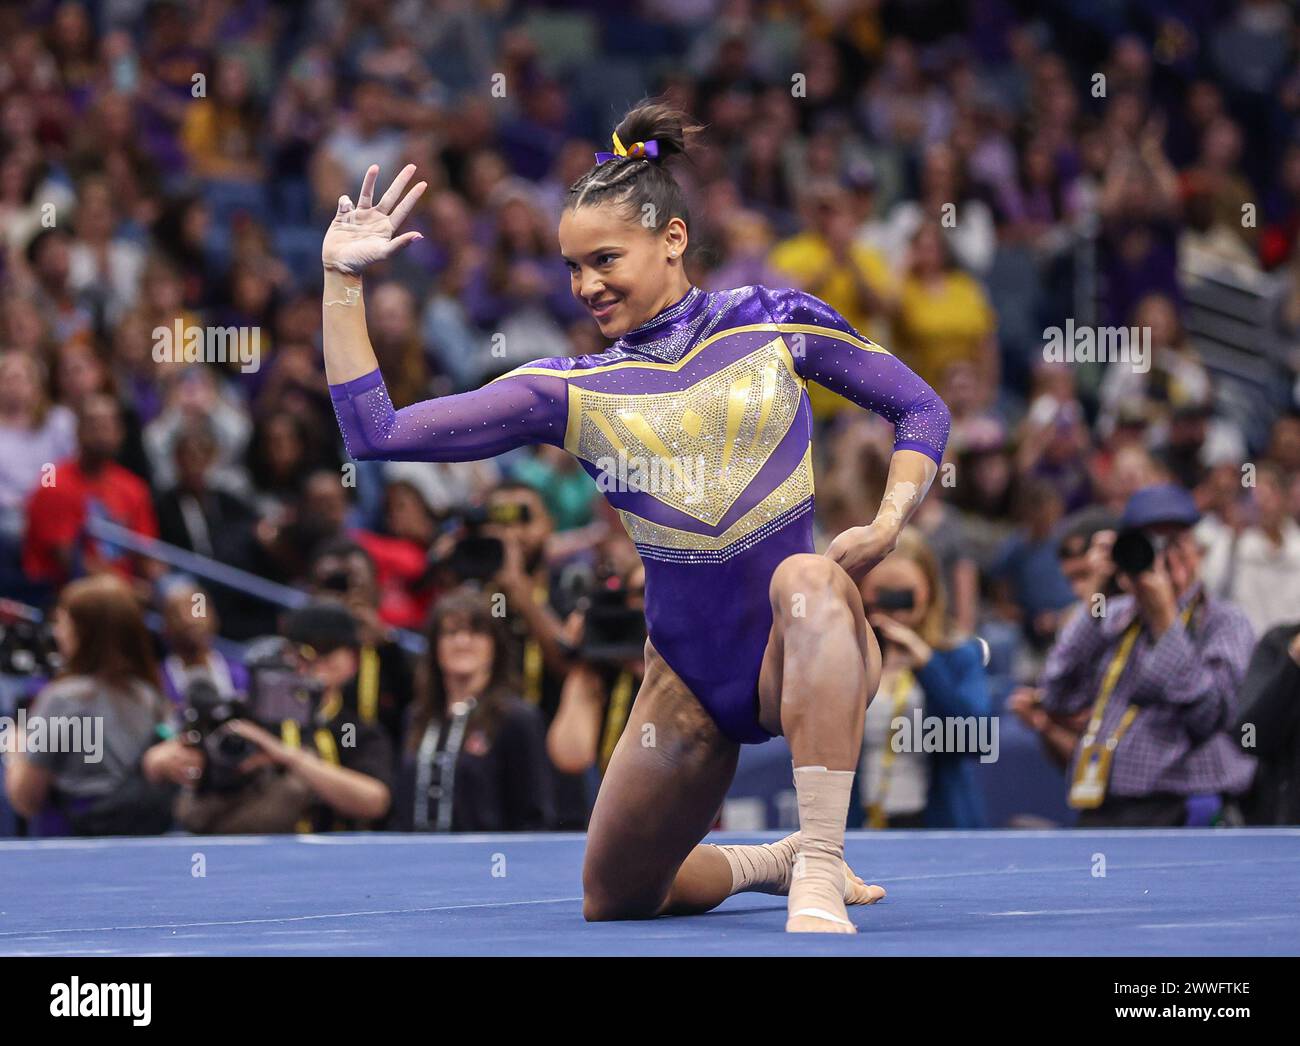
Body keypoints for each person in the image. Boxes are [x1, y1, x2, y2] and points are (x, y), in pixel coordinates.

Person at [321, 101, 950, 933]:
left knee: (809, 578)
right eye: (573, 269)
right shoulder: (571, 390)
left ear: (674, 240)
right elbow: (378, 433)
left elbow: (922, 411)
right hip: (686, 683)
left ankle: (824, 869)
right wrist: (341, 278)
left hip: (799, 652)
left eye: (605, 259)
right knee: (616, 899)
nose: (587, 286)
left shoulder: (774, 323)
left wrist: (887, 522)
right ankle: (779, 858)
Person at [1038, 484, 1257, 827]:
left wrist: (1166, 620)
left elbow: (1210, 714)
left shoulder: (1224, 621)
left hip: (1184, 809)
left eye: (1175, 543)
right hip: (1104, 805)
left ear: (1197, 551)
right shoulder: (1113, 616)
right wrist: (1095, 593)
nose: (1163, 557)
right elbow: (1057, 694)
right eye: (1150, 544)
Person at [3, 575, 178, 835]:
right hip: (143, 846)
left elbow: (27, 798)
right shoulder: (151, 696)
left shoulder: (62, 699)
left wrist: (15, 749)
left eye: (62, 623)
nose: (58, 633)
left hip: (70, 848)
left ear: (81, 631)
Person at [856, 529, 992, 829]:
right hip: (861, 826)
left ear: (929, 590)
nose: (895, 608)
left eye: (905, 595)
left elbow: (978, 740)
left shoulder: (957, 654)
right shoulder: (850, 656)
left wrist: (927, 666)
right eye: (883, 594)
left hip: (936, 826)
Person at [393, 589, 554, 831]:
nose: (462, 641)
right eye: (450, 632)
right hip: (419, 862)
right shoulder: (417, 716)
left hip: (489, 865)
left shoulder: (517, 718)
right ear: (435, 647)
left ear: (495, 646)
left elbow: (535, 815)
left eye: (475, 632)